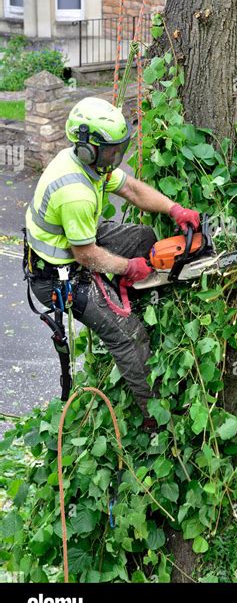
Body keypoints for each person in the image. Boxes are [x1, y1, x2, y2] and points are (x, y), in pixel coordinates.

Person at [23, 96, 200, 426]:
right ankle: (155, 419)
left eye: (119, 150)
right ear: (87, 148)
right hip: (58, 275)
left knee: (144, 239)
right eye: (111, 151)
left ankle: (137, 292)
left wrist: (175, 209)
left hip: (79, 235)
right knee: (129, 336)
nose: (116, 158)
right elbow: (86, 255)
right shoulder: (74, 190)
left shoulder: (93, 166)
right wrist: (128, 267)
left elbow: (131, 188)